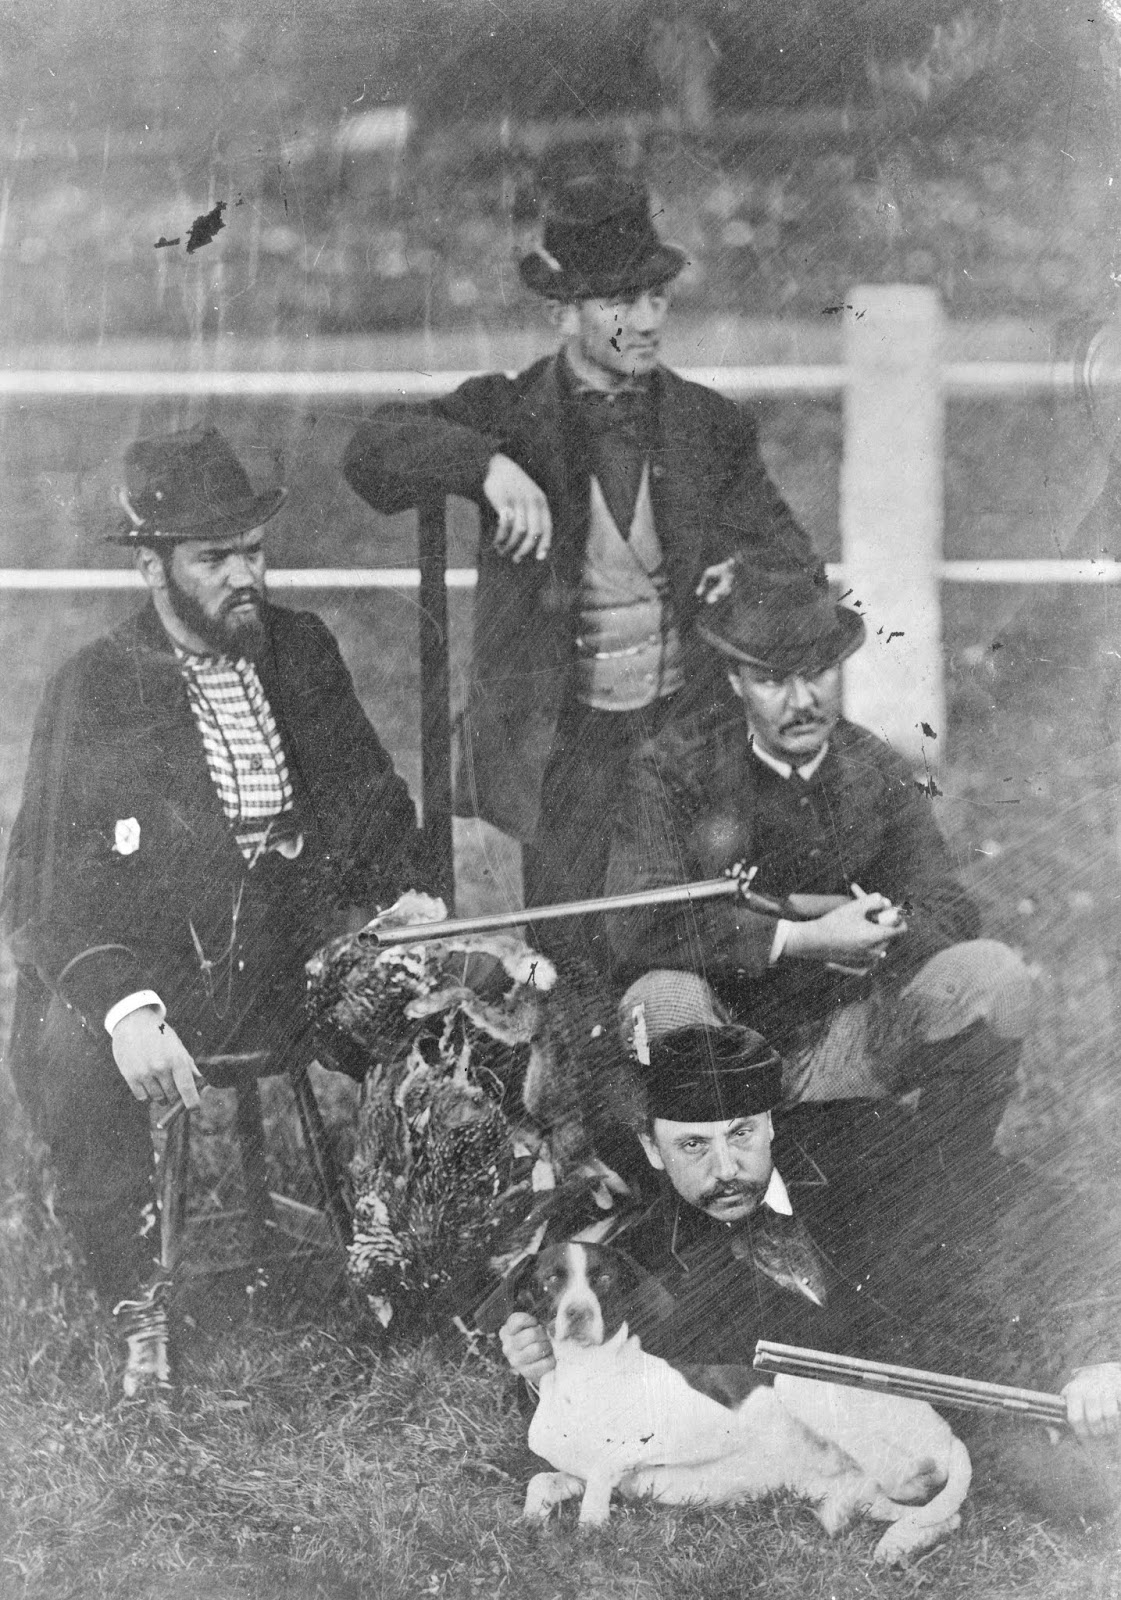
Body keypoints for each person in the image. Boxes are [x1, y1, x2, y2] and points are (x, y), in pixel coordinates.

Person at [1, 425, 427, 1399]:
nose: (245, 575)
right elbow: (45, 884)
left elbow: (370, 798)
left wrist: (404, 896)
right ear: (153, 566)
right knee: (68, 1039)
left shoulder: (301, 650)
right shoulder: (94, 686)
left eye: (253, 550)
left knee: (449, 1006)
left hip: (294, 967)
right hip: (165, 977)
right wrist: (125, 1005)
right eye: (214, 557)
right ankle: (136, 1300)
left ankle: (406, 1253)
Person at [341, 172, 821, 952]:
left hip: (688, 731)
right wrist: (483, 465)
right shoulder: (511, 413)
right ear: (562, 312)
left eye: (657, 298)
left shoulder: (708, 426)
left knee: (697, 938)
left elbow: (793, 560)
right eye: (622, 302)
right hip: (562, 744)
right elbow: (370, 450)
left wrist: (744, 577)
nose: (648, 321)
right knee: (570, 952)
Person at [602, 559, 1035, 1203]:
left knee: (993, 973)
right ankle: (708, 1208)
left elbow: (946, 904)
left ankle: (950, 1189)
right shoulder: (673, 771)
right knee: (660, 999)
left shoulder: (878, 769)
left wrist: (883, 927)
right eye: (773, 680)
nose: (802, 701)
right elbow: (639, 918)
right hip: (726, 1046)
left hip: (849, 1041)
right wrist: (801, 938)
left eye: (818, 673)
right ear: (735, 680)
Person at [498, 1020, 1121, 1451]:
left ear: (772, 1123)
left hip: (1047, 1375)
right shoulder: (638, 1263)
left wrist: (1100, 1355)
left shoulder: (871, 1141)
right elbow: (594, 1397)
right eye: (692, 1146)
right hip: (927, 1448)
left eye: (742, 1134)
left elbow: (1054, 1217)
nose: (725, 1169)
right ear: (651, 1150)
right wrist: (538, 1368)